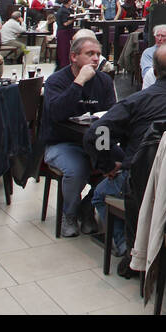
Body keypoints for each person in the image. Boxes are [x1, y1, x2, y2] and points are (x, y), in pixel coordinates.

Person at [86, 42, 166, 257]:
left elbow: (97, 133)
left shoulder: (136, 102)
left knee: (99, 194)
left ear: (155, 71)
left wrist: (106, 165)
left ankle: (127, 246)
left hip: (143, 182)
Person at [41, 34, 116, 237]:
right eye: (89, 54)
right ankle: (70, 214)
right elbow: (56, 113)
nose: (95, 59)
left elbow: (112, 115)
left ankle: (88, 205)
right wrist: (80, 81)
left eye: (98, 54)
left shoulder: (104, 82)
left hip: (94, 141)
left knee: (117, 166)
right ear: (74, 57)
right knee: (77, 169)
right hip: (61, 141)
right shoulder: (57, 81)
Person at [54, 0, 76, 69]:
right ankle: (64, 65)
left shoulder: (61, 9)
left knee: (62, 49)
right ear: (69, 2)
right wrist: (73, 19)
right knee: (64, 49)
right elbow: (65, 23)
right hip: (64, 32)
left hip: (60, 32)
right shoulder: (64, 11)